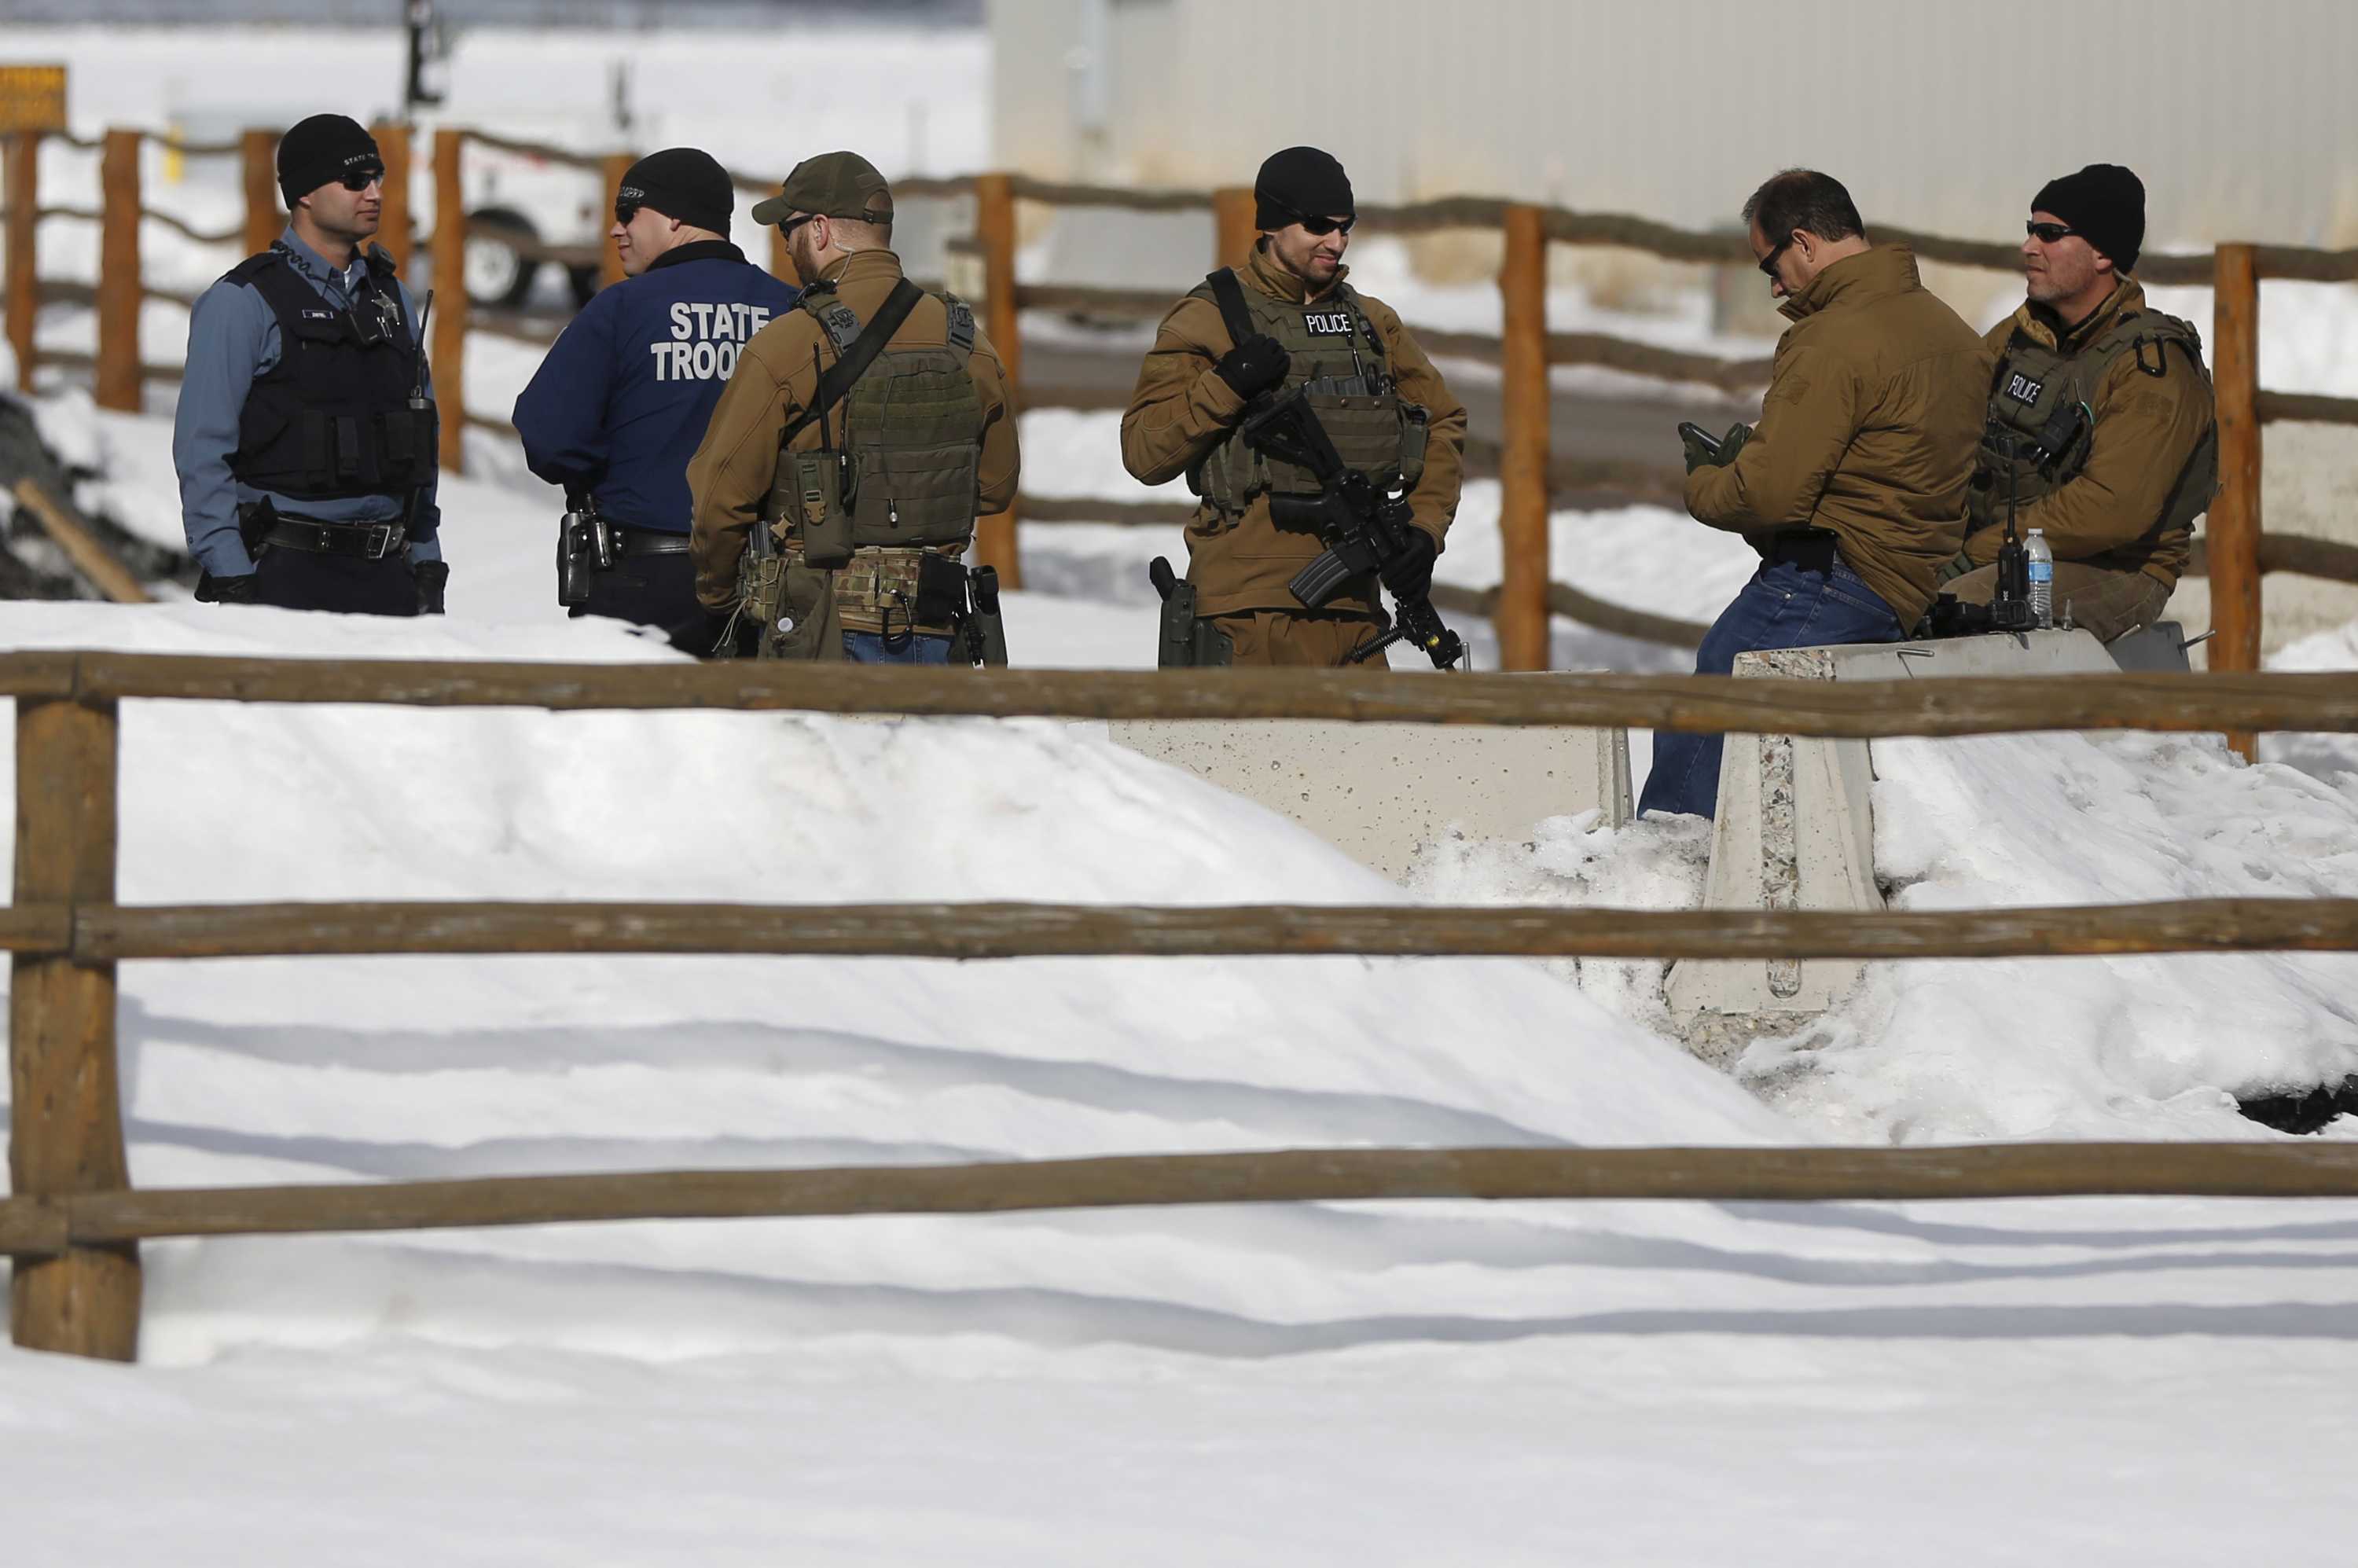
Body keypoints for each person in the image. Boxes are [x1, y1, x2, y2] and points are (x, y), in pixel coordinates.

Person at [1641, 169, 1990, 820]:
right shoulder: (1951, 331)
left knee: (1713, 699)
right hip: (1908, 584)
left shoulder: (1832, 339)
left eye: (1769, 265)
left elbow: (1767, 494)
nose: (1774, 286)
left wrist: (1706, 481)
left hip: (1830, 580)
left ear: (1803, 242)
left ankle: (1670, 863)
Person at [1119, 145, 1467, 666]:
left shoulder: (1371, 324)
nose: (1336, 242)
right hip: (1244, 614)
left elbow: (1443, 419)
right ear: (1273, 224)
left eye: (1345, 227)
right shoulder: (1210, 317)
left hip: (1356, 617)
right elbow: (1144, 452)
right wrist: (1227, 384)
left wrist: (1423, 529)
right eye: (1318, 226)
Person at [688, 151, 1017, 663]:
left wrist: (719, 598)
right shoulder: (966, 340)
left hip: (817, 630)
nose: (787, 244)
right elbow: (995, 487)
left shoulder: (789, 343)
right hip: (937, 627)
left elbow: (720, 497)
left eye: (789, 230)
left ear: (820, 230)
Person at [512, 149, 798, 655]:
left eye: (628, 214)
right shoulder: (789, 310)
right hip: (767, 585)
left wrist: (613, 478)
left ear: (675, 218)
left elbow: (548, 436)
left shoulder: (622, 308)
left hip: (641, 578)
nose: (615, 230)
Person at [174, 114, 443, 615]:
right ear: (304, 194)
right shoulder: (242, 302)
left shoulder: (393, 301)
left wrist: (427, 563)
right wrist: (232, 574)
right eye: (355, 180)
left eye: (378, 178)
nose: (374, 193)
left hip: (389, 575)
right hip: (284, 574)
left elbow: (421, 445)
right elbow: (202, 451)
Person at [1940, 165, 2217, 643]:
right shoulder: (2020, 338)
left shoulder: (2152, 367)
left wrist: (1982, 550)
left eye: (2050, 234)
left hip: (2117, 568)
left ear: (2103, 253)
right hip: (2002, 548)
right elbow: (1945, 419)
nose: (2029, 247)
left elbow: (2110, 508)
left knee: (1959, 608)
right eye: (2030, 231)